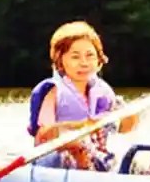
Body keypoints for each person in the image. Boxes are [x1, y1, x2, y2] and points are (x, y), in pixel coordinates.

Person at [27, 21, 137, 171]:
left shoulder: (103, 92)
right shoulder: (54, 92)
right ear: (60, 61)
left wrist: (129, 117)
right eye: (75, 57)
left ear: (99, 60)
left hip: (97, 158)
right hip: (60, 161)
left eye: (90, 55)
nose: (84, 63)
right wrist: (80, 127)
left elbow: (124, 130)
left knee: (138, 157)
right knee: (78, 150)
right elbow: (43, 135)